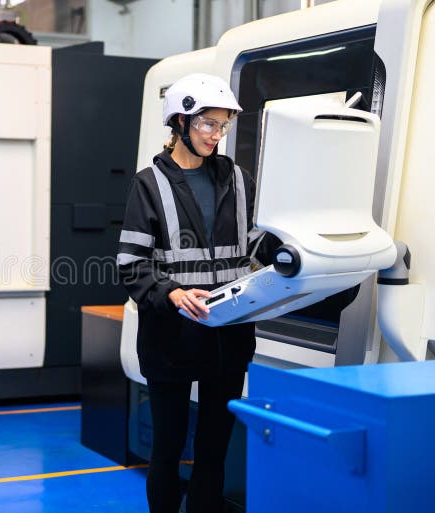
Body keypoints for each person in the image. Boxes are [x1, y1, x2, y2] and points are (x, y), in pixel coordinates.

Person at [117, 74, 260, 513]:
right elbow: (131, 264)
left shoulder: (239, 179)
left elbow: (255, 245)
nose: (216, 135)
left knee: (214, 451)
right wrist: (172, 293)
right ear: (180, 122)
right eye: (207, 124)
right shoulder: (149, 184)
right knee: (167, 448)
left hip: (229, 337)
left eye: (223, 125)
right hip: (172, 339)